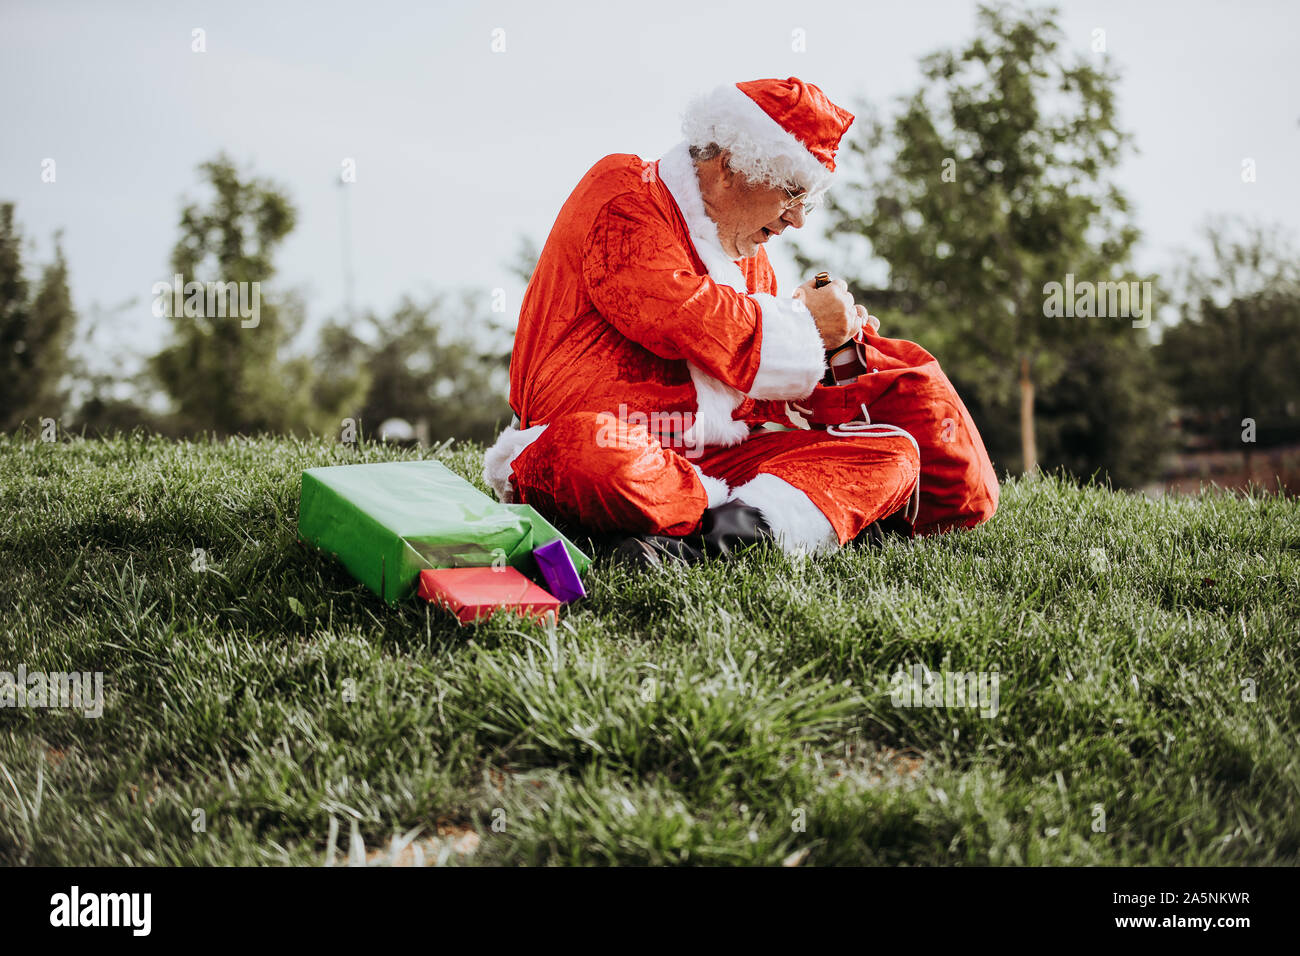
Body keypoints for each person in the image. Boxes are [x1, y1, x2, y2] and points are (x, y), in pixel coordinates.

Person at [483, 77, 998, 568]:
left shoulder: (754, 258)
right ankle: (744, 530)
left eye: (809, 201)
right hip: (614, 449)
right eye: (793, 192)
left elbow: (756, 394)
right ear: (731, 166)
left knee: (890, 456)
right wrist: (806, 328)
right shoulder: (622, 190)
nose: (798, 219)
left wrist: (840, 347)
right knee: (588, 450)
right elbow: (676, 313)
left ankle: (693, 540)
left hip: (712, 461)